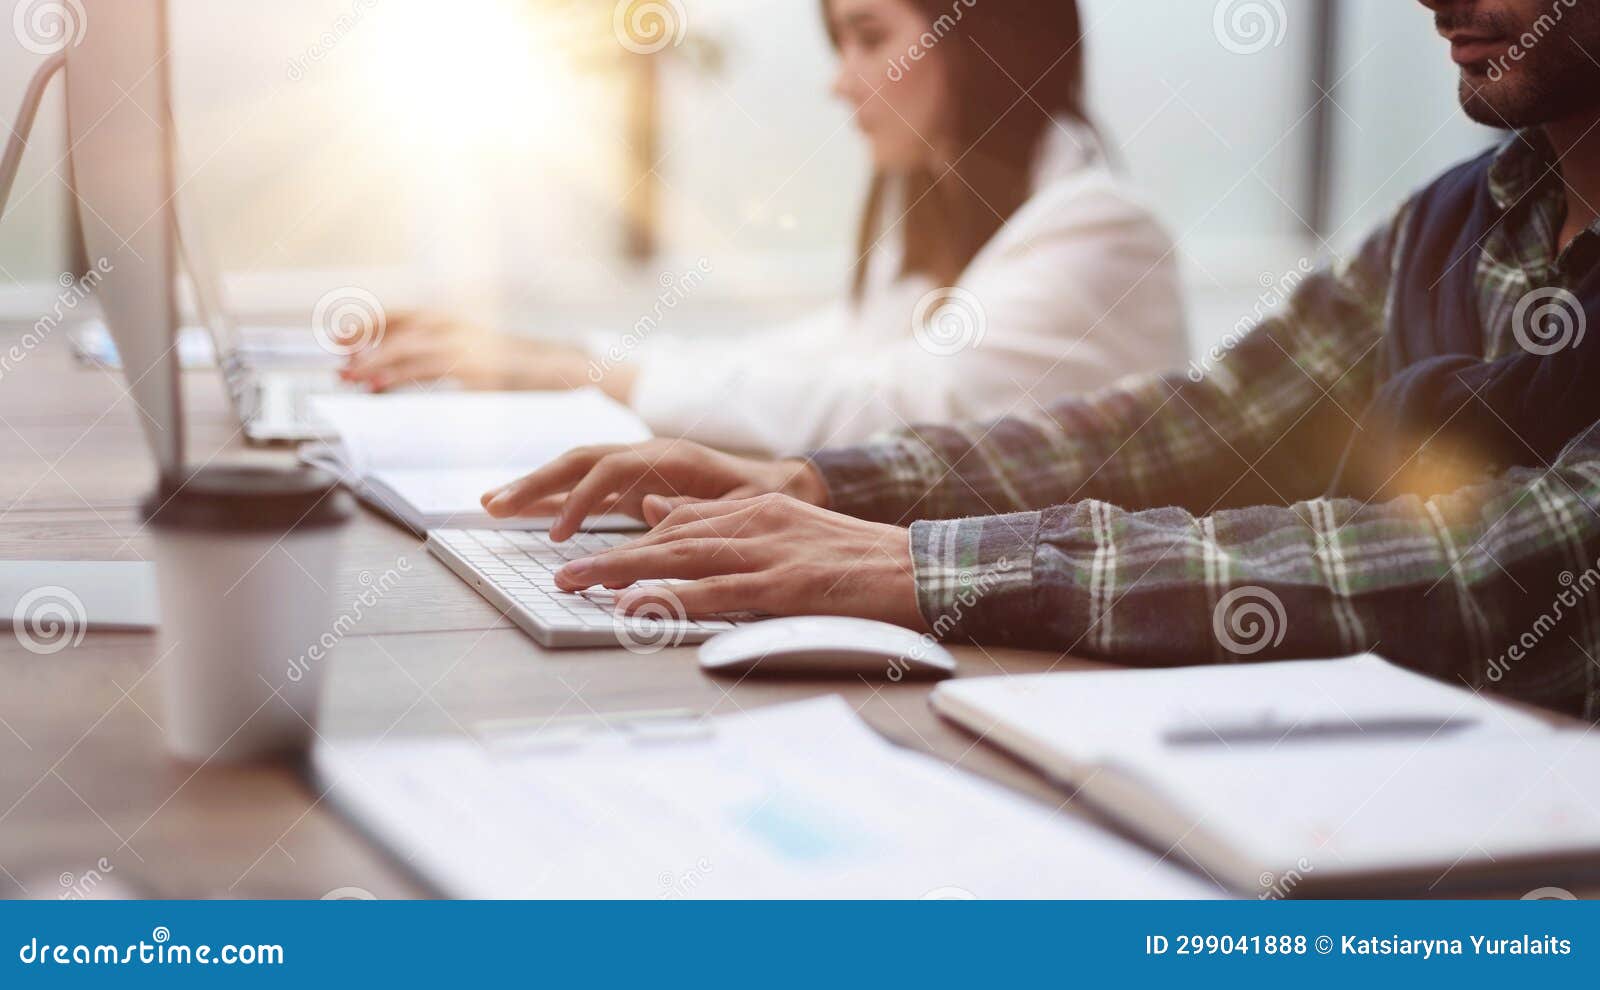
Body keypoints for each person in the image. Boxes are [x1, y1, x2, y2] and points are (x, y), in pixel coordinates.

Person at [479, 0, 1600, 719]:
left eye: (872, 37)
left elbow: (1503, 565)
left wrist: (934, 565)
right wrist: (825, 485)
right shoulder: (1453, 218)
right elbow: (1204, 420)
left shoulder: (1089, 223)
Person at [339, 0, 1186, 453]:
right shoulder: (942, 237)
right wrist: (541, 356)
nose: (842, 82)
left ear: (986, 36)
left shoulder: (1103, 237)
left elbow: (890, 412)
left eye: (868, 37)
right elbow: (801, 361)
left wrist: (569, 370)